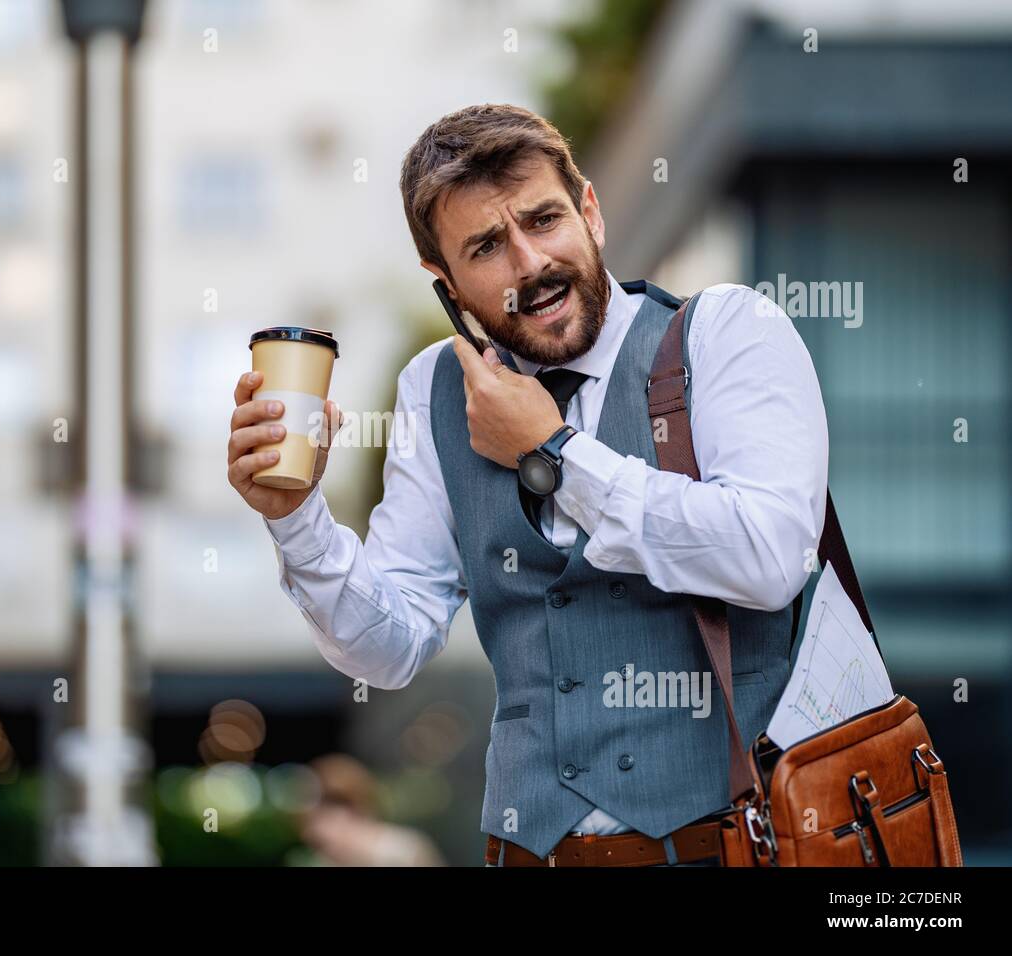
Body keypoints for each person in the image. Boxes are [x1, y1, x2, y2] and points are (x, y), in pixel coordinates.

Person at [226, 104, 827, 867]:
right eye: (486, 246)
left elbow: (769, 557)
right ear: (444, 283)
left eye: (544, 220)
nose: (530, 263)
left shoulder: (725, 334)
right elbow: (390, 648)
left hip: (731, 847)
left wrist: (554, 450)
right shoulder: (432, 391)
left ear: (591, 213)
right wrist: (297, 519)